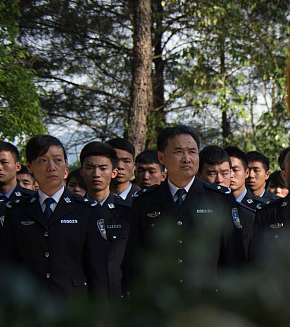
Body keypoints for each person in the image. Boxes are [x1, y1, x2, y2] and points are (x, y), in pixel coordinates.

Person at [128, 125, 245, 291]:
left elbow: (234, 259)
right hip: (158, 302)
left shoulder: (220, 198)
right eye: (178, 152)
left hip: (206, 302)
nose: (187, 158)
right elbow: (133, 259)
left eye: (192, 152)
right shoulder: (144, 201)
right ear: (161, 157)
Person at [0, 134, 109, 299]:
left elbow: (98, 269)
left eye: (58, 160)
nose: (51, 167)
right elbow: (8, 266)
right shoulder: (16, 210)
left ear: (66, 165)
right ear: (29, 165)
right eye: (43, 160)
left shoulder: (87, 210)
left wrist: (99, 316)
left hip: (72, 306)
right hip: (29, 307)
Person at [79, 141, 133, 299]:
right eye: (90, 167)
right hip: (83, 299)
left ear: (114, 172)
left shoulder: (127, 213)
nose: (96, 174)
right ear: (81, 171)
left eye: (103, 168)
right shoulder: (72, 212)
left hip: (119, 299)